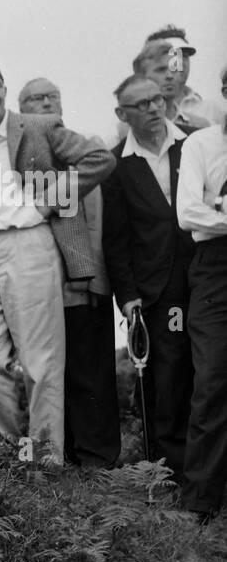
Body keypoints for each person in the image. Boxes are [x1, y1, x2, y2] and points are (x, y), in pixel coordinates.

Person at [0, 54, 115, 462]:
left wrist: (52, 199)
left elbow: (99, 159)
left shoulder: (37, 127)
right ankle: (10, 457)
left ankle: (45, 463)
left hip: (30, 246)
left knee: (40, 364)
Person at [18, 78, 120, 468]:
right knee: (51, 373)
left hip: (87, 281)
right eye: (36, 98)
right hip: (42, 285)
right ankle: (61, 456)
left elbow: (101, 223)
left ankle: (99, 462)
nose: (46, 102)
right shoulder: (21, 160)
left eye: (52, 96)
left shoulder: (87, 151)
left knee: (92, 371)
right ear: (22, 111)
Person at [103, 74, 192, 475]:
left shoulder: (194, 144)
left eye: (157, 99)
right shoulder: (116, 165)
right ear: (122, 114)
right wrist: (128, 297)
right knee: (167, 373)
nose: (155, 108)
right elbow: (116, 239)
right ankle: (171, 471)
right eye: (142, 104)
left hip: (205, 276)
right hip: (158, 290)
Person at [175, 65, 227, 519]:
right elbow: (188, 212)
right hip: (216, 267)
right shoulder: (201, 144)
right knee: (212, 380)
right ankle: (199, 502)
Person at [139, 26, 226, 133]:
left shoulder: (211, 110)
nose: (179, 61)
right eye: (173, 54)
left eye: (184, 55)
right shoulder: (133, 114)